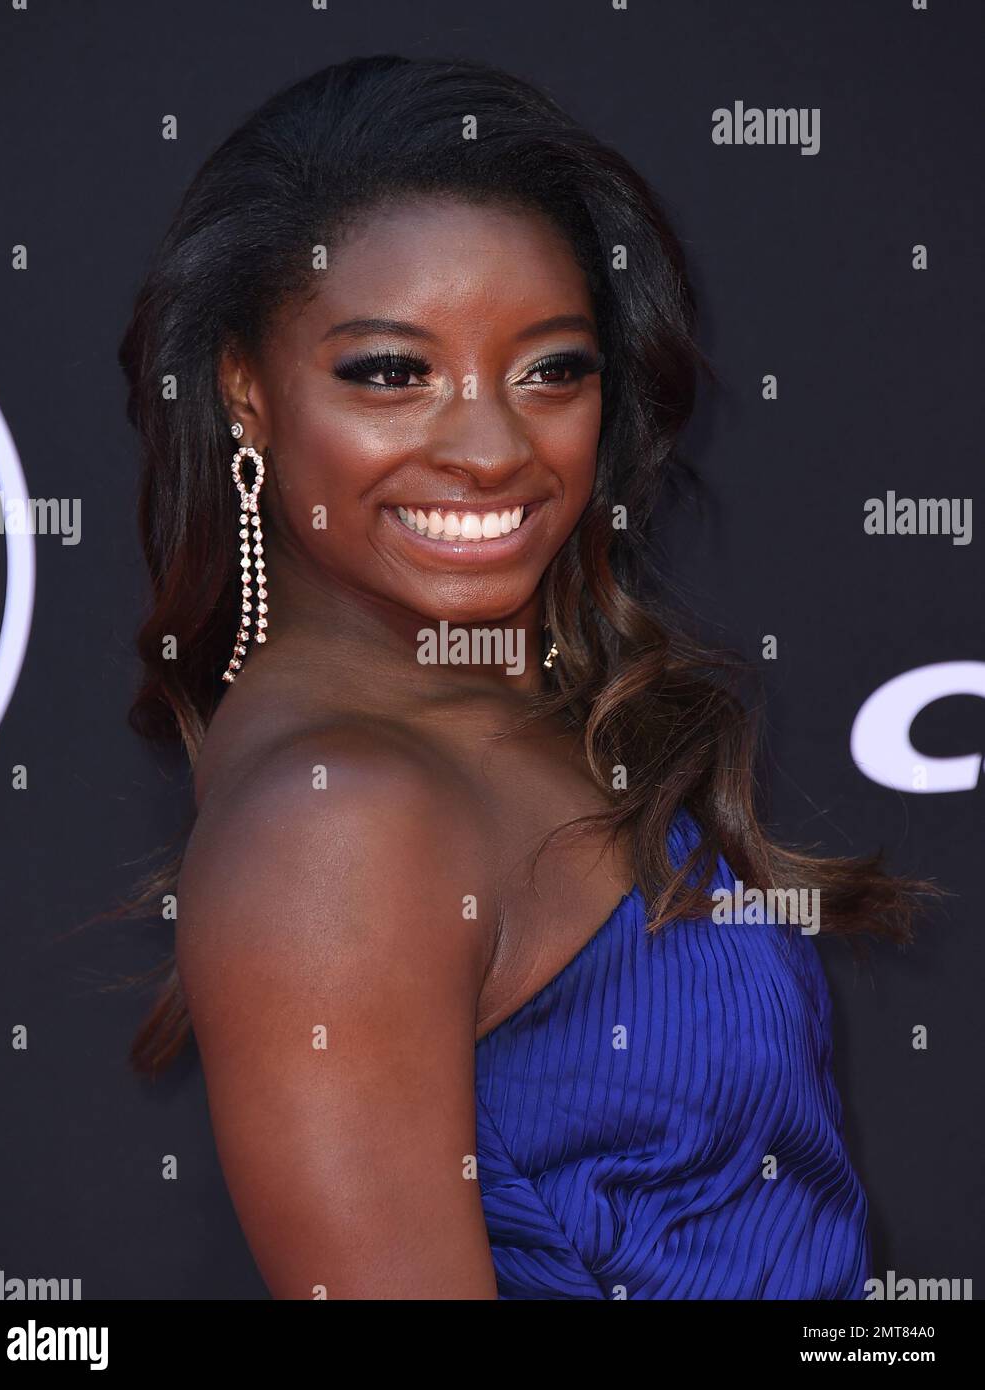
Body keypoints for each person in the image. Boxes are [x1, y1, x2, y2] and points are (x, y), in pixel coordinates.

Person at [118, 54, 926, 1300]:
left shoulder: (479, 701)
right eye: (391, 372)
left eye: (551, 368)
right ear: (246, 392)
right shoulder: (338, 820)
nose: (493, 448)